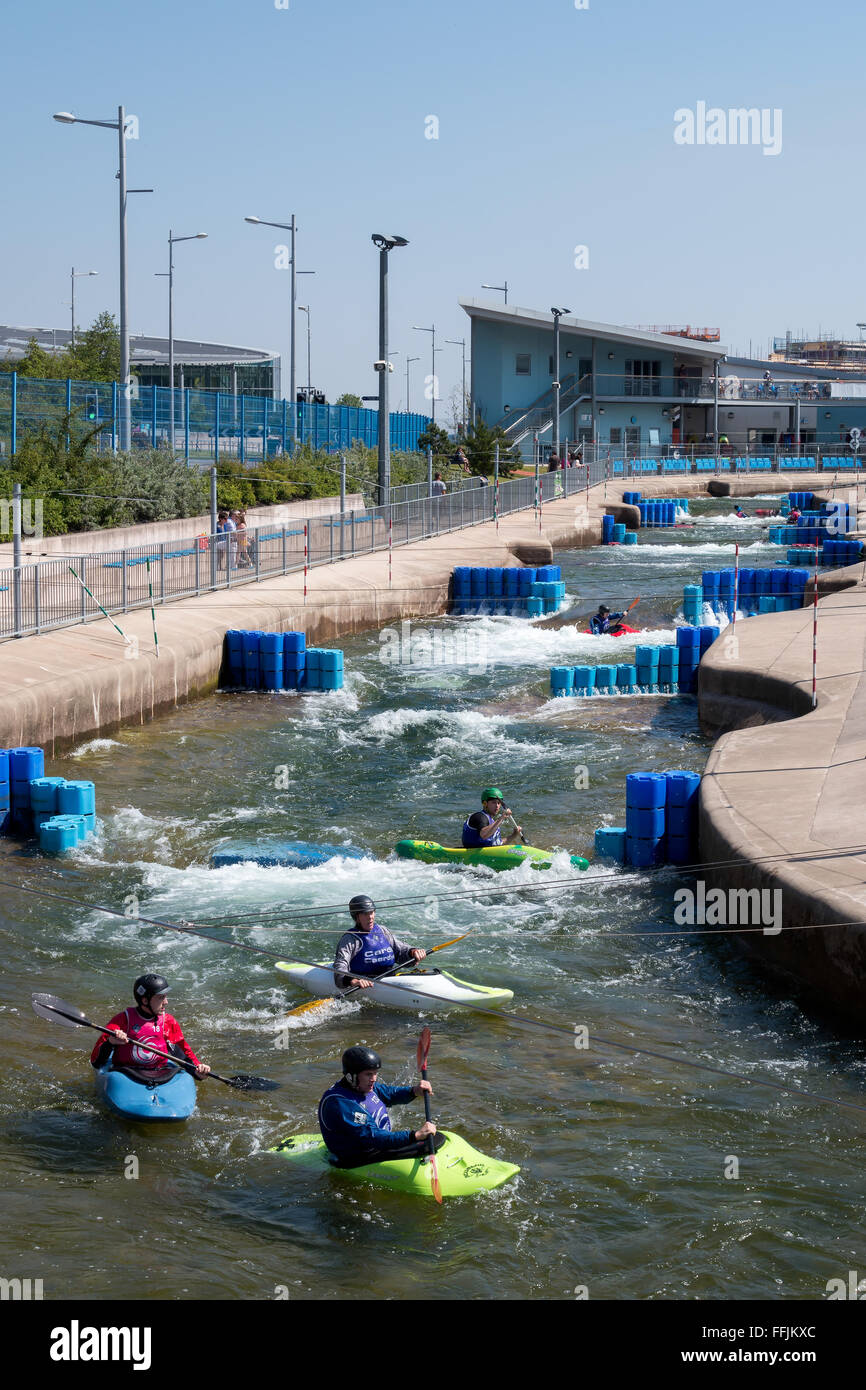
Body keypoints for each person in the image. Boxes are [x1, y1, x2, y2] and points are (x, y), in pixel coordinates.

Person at [318, 1045, 445, 1167]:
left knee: (436, 1139)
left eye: (375, 1073)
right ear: (351, 1076)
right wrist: (415, 1135)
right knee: (428, 1143)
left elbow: (389, 1094)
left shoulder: (363, 1086)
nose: (373, 1079)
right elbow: (373, 1137)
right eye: (368, 1074)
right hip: (359, 1156)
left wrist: (414, 1091)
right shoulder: (341, 1104)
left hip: (377, 1143)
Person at [89, 974, 211, 1079]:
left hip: (159, 1072)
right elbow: (95, 1061)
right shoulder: (122, 1020)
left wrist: (197, 1069)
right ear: (145, 1001)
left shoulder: (168, 1022)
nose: (166, 1002)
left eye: (166, 997)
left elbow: (182, 1051)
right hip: (125, 1073)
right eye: (161, 997)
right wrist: (110, 1042)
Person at [332, 895, 426, 991]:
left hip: (390, 978)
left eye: (372, 912)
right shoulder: (350, 939)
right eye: (365, 914)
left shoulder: (381, 930)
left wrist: (413, 952)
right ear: (357, 917)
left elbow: (400, 951)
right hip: (366, 982)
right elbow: (340, 967)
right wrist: (353, 981)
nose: (370, 917)